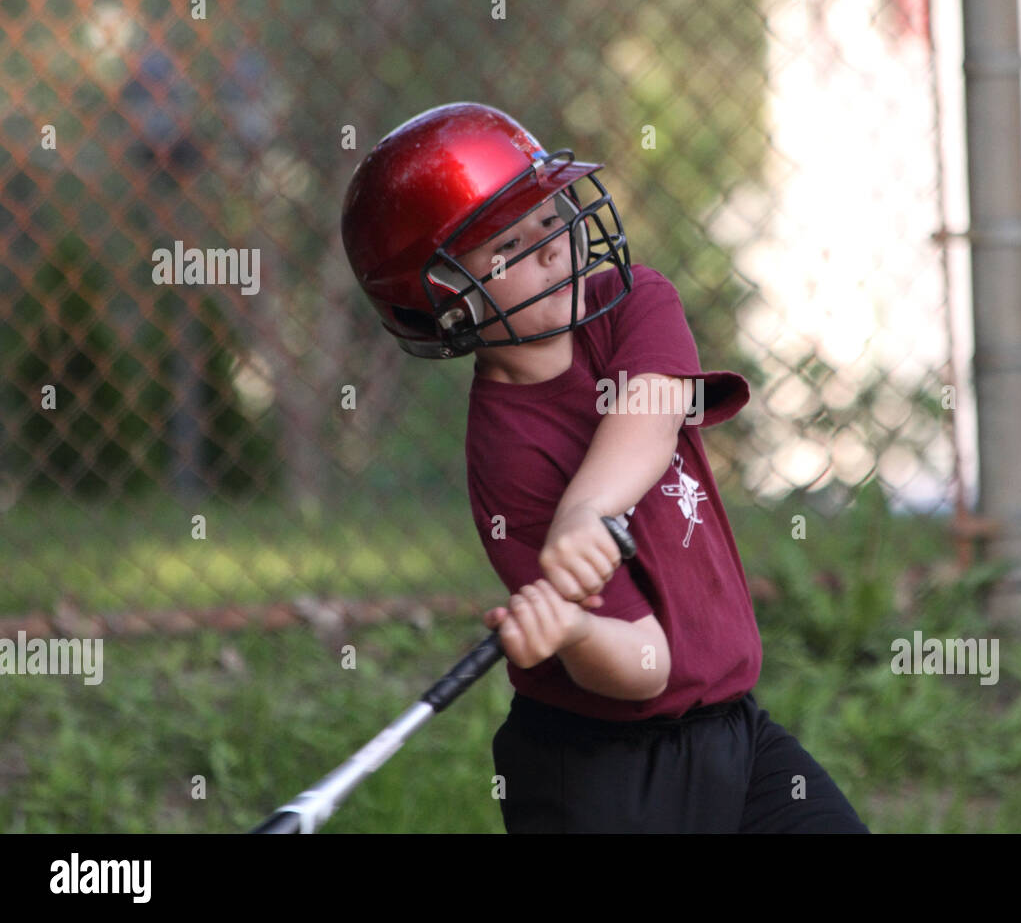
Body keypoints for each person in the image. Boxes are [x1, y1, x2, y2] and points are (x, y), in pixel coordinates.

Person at [341, 102, 869, 833]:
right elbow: (644, 665)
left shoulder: (631, 302)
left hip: (735, 737)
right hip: (601, 779)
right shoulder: (508, 456)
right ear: (446, 305)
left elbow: (650, 416)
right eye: (510, 247)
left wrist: (585, 510)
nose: (552, 246)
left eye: (549, 216)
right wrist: (571, 634)